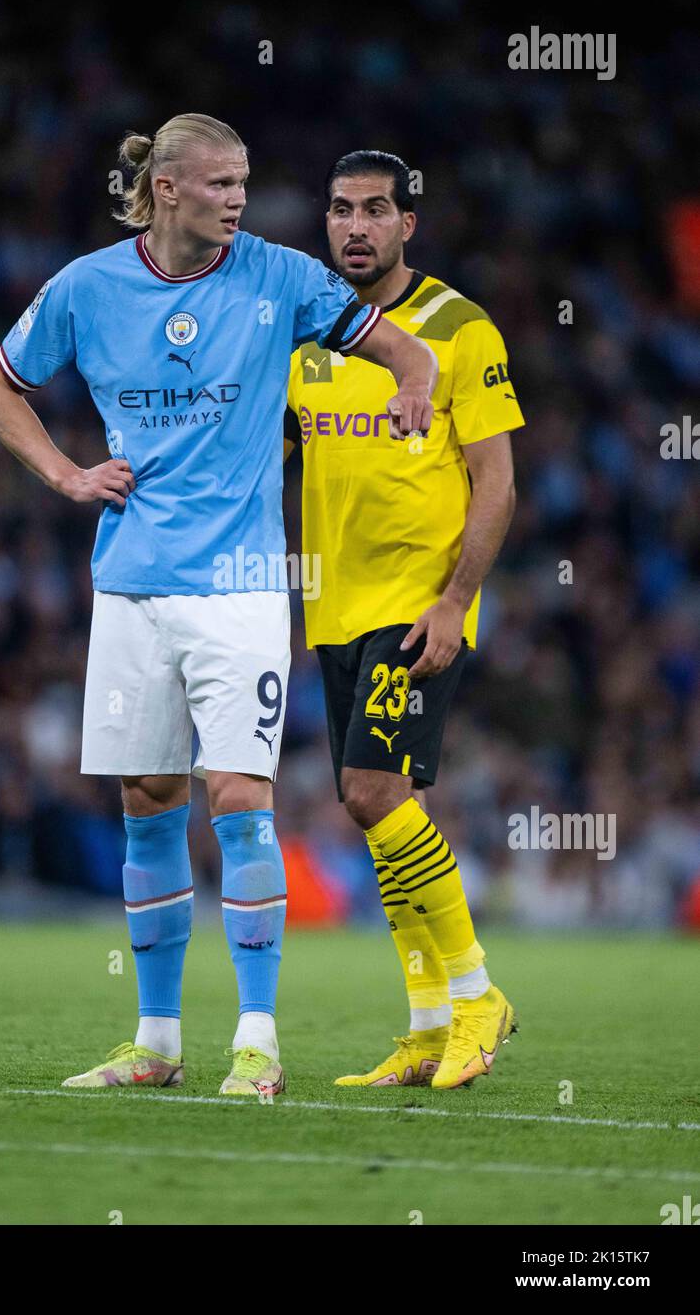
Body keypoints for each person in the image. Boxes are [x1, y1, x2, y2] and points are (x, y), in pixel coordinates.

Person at [0, 116, 437, 1098]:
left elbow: (405, 350)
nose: (238, 199)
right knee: (146, 801)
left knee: (237, 799)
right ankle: (155, 1041)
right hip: (133, 582)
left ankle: (258, 1042)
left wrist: (413, 379)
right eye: (221, 183)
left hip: (239, 586)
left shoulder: (279, 278)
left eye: (243, 182)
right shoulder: (86, 288)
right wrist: (64, 473)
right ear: (167, 189)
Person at [284, 149, 524, 1089]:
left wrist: (457, 600)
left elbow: (497, 479)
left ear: (407, 225)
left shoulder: (461, 327)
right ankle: (426, 1026)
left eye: (375, 210)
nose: (355, 226)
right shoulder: (311, 334)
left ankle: (476, 997)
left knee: (375, 793)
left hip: (418, 604)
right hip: (334, 608)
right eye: (341, 209)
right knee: (372, 801)